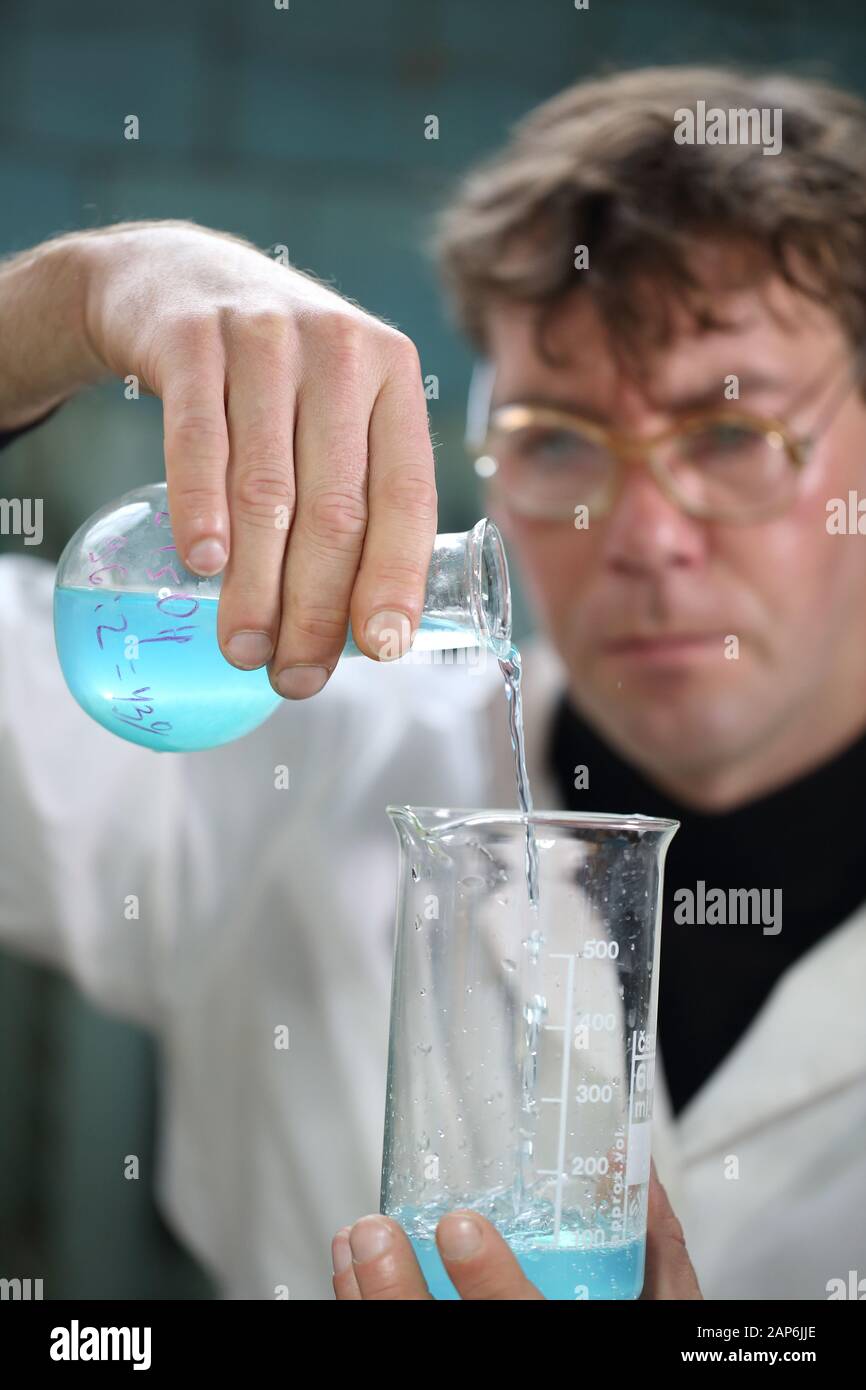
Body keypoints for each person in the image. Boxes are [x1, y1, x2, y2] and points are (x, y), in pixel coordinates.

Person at [1, 63, 864, 1301]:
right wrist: (76, 295)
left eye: (729, 434)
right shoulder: (289, 747)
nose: (642, 534)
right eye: (556, 437)